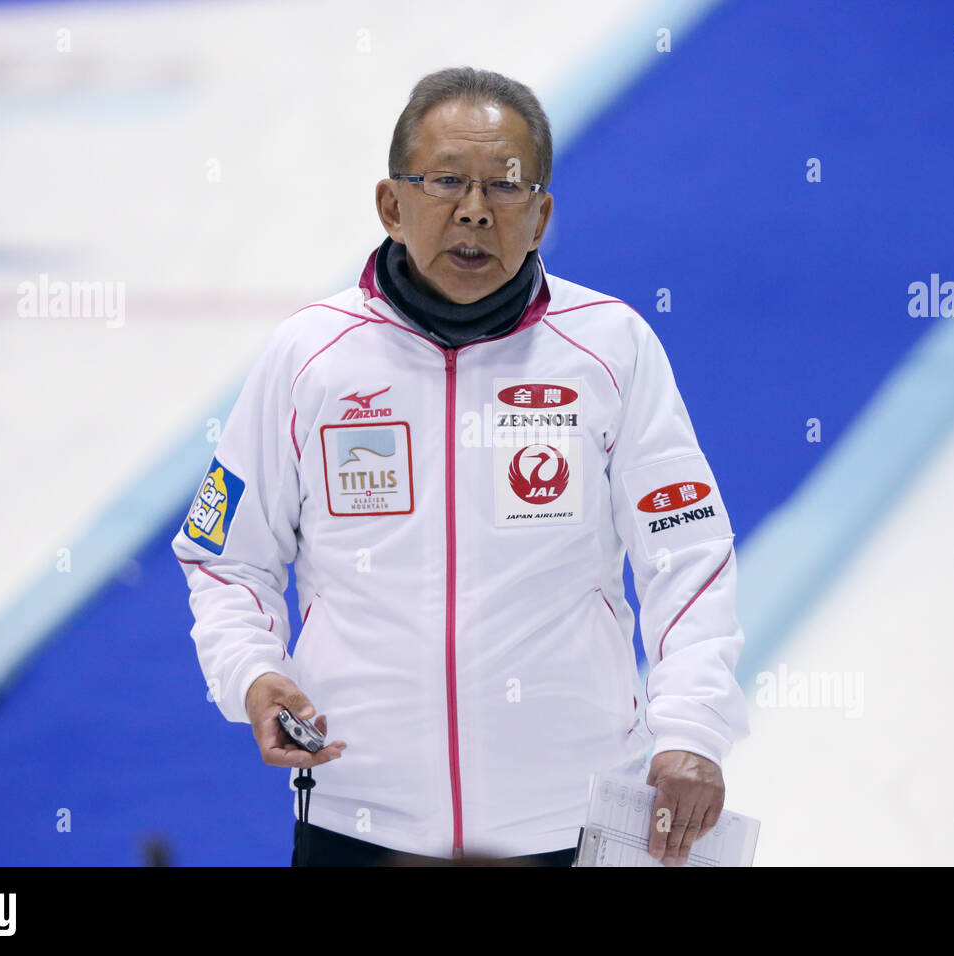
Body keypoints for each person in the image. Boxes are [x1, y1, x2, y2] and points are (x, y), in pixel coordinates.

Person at [171, 66, 750, 867]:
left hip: (572, 825)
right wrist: (253, 675)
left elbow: (688, 559)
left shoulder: (611, 350)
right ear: (390, 205)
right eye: (447, 181)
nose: (475, 210)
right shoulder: (308, 359)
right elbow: (226, 558)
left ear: (541, 215)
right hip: (359, 825)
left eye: (505, 187)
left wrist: (691, 728)